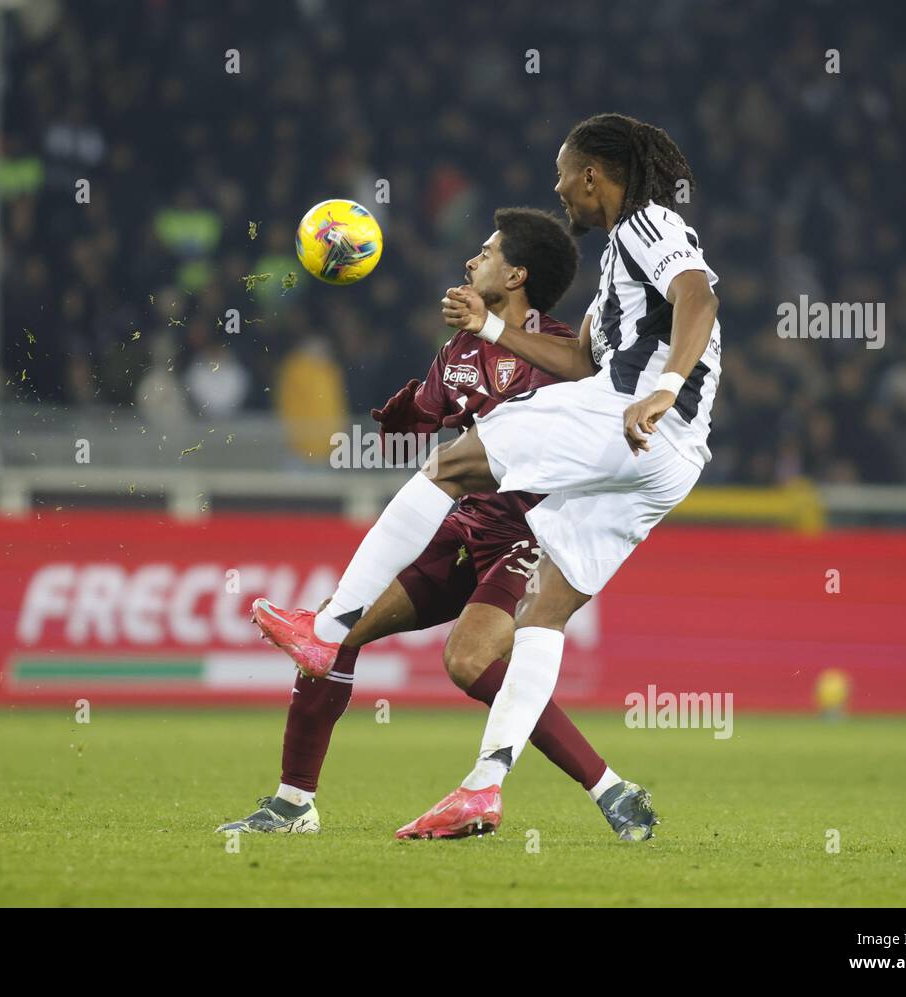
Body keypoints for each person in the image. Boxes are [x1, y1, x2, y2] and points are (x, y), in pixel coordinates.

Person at [255, 113, 722, 842]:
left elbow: (699, 296)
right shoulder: (612, 277)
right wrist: (492, 330)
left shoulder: (647, 224)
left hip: (641, 416)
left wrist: (665, 386)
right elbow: (580, 363)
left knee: (456, 464)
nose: (559, 187)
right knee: (543, 614)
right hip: (669, 457)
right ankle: (483, 787)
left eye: (565, 172)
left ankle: (331, 627)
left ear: (594, 174)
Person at [220, 209, 625, 838]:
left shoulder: (562, 348)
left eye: (486, 252)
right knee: (336, 636)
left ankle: (608, 787)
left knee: (467, 661)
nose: (471, 260)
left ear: (516, 275)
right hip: (463, 531)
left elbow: (587, 383)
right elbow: (437, 420)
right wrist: (410, 411)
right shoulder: (459, 348)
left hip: (529, 538)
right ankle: (293, 804)